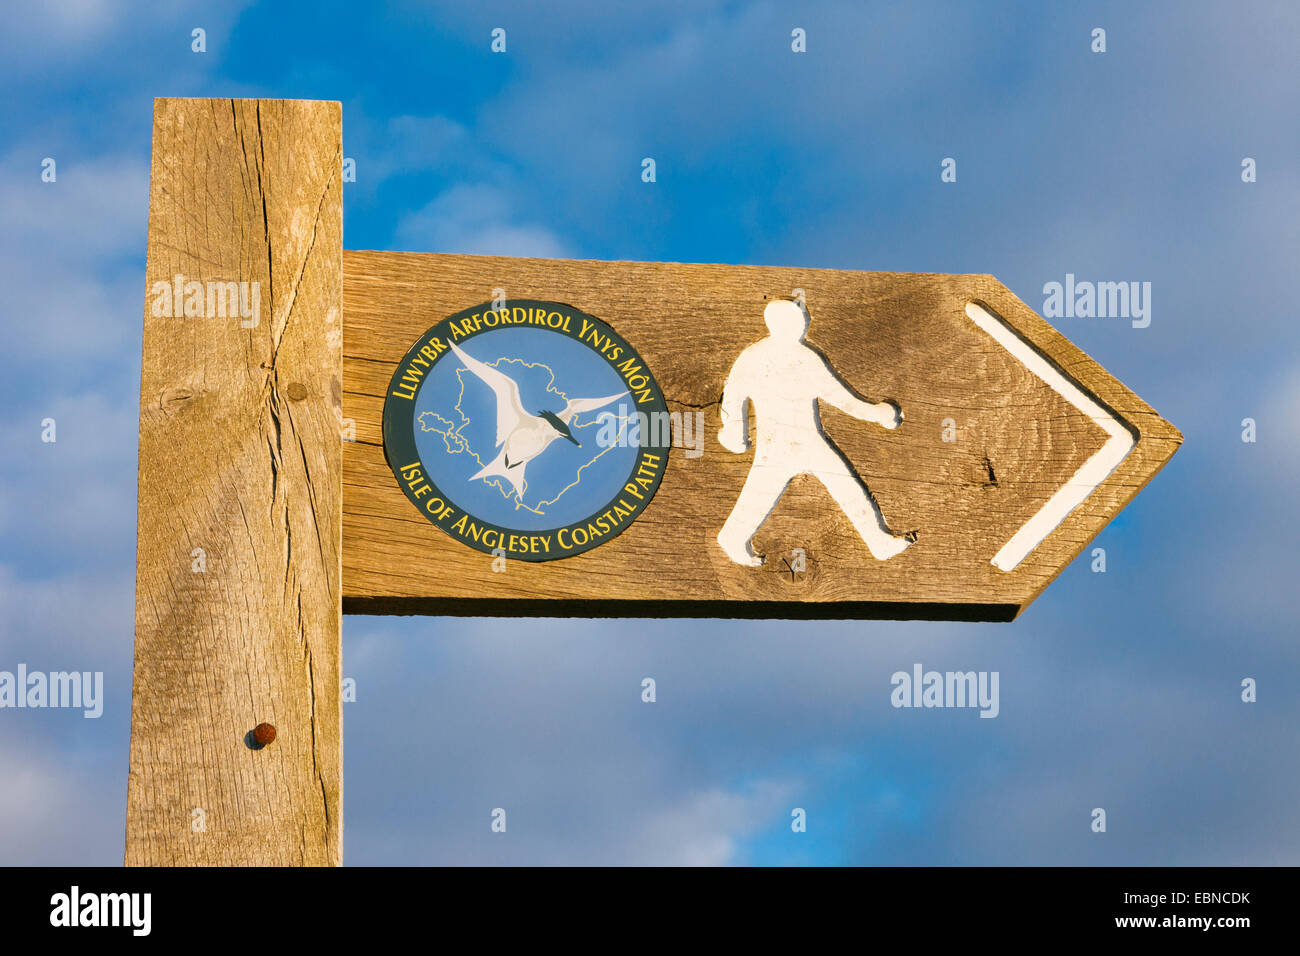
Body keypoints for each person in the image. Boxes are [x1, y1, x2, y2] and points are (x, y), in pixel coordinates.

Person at [716, 299, 913, 566]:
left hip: (809, 440)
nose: (801, 324)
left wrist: (876, 413)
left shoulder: (806, 357)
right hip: (776, 444)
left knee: (846, 484)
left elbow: (840, 397)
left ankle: (878, 541)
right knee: (760, 494)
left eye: (801, 319)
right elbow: (734, 395)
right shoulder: (755, 357)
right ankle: (733, 537)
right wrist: (735, 432)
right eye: (796, 319)